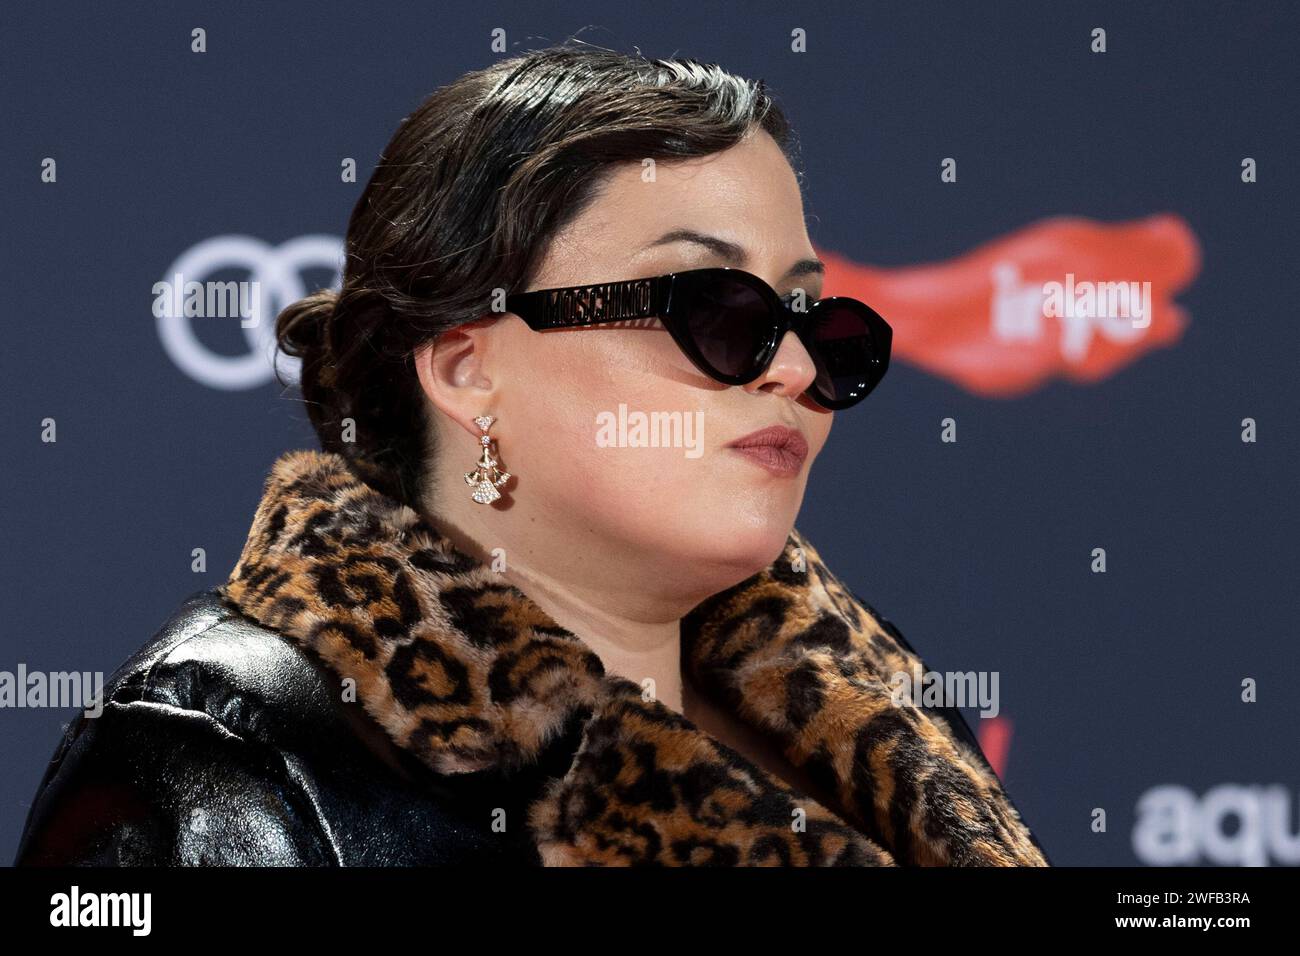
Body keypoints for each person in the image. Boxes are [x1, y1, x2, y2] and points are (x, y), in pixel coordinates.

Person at [14, 43, 1049, 867]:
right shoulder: (225, 752)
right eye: (714, 308)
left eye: (812, 316)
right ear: (469, 369)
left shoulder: (870, 683)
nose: (792, 365)